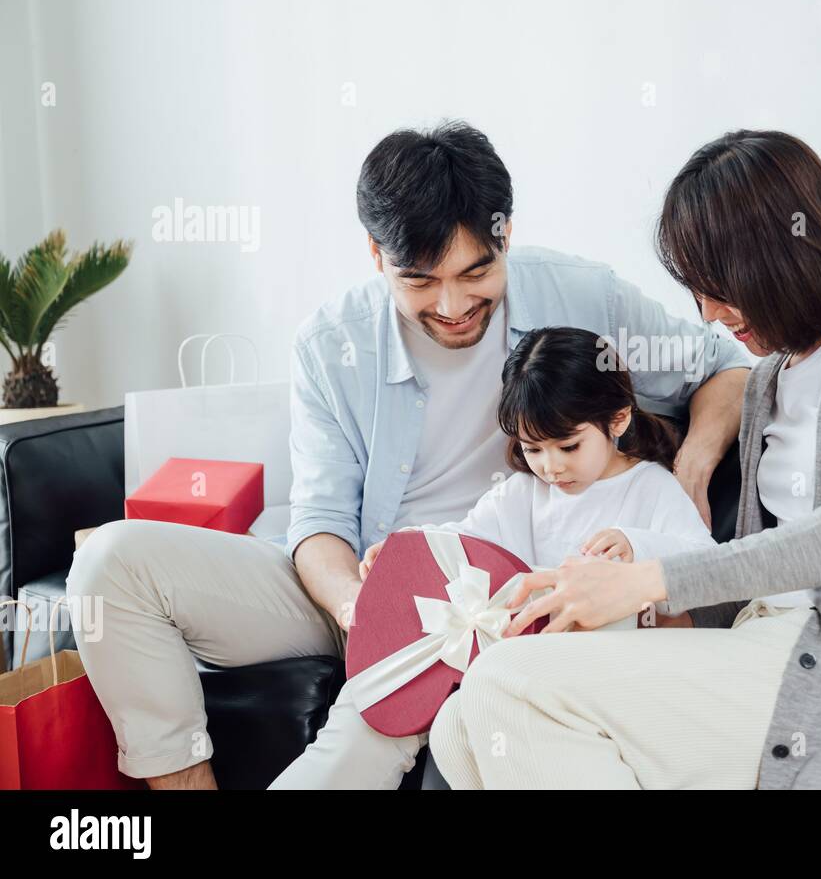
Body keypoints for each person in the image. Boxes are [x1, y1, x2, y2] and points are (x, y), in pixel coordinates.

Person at [66, 122, 750, 789]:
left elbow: (727, 365)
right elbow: (322, 522)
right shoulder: (332, 343)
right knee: (110, 564)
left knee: (371, 726)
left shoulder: (580, 295)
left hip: (487, 608)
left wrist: (691, 468)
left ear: (505, 235)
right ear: (375, 255)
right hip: (356, 581)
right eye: (421, 281)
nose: (453, 304)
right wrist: (360, 606)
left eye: (476, 272)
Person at [427, 129, 821, 789]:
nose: (712, 315)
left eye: (722, 288)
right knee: (457, 727)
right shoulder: (773, 374)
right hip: (759, 637)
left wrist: (650, 579)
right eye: (699, 293)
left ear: (786, 258)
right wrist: (624, 596)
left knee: (501, 689)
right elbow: (752, 580)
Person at [269, 326, 714, 788]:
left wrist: (638, 546)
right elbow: (466, 541)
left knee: (470, 714)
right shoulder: (522, 492)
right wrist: (409, 548)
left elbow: (708, 562)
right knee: (374, 699)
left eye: (568, 447)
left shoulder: (652, 489)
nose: (551, 466)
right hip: (491, 661)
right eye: (533, 448)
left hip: (578, 675)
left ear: (618, 420)